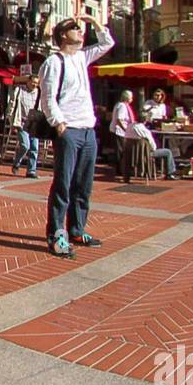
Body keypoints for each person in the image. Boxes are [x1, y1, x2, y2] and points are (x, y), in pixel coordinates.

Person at [34, 16, 114, 256]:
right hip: (69, 130)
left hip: (88, 129)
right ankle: (56, 235)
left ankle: (77, 229)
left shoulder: (81, 57)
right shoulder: (53, 62)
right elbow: (48, 98)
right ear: (62, 35)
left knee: (84, 185)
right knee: (63, 184)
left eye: (80, 28)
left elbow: (106, 43)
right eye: (74, 28)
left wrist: (94, 21)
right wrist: (59, 125)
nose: (80, 31)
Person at [6, 74, 42, 177]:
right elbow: (12, 104)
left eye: (36, 83)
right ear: (28, 81)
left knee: (34, 148)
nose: (34, 84)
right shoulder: (19, 90)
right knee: (25, 146)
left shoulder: (39, 92)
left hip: (34, 123)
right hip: (21, 122)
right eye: (33, 82)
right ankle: (16, 163)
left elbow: (41, 107)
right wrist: (11, 121)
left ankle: (31, 171)